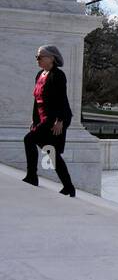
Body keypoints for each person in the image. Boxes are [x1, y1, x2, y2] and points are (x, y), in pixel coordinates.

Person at [22, 45, 76, 196]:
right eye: (37, 57)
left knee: (29, 140)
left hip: (54, 119)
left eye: (41, 56)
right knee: (50, 151)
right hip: (42, 119)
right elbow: (37, 100)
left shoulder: (58, 75)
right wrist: (34, 120)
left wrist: (60, 120)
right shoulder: (40, 74)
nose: (37, 59)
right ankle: (68, 187)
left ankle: (32, 176)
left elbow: (62, 100)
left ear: (52, 58)